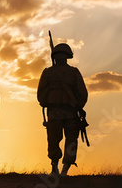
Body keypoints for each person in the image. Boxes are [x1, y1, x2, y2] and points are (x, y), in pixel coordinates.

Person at [37, 42, 89, 176]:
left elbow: (82, 92)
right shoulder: (49, 72)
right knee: (54, 140)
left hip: (68, 112)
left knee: (69, 139)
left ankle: (64, 168)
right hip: (56, 112)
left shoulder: (72, 72)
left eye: (62, 54)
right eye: (58, 54)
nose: (60, 57)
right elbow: (41, 92)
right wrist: (46, 102)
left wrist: (77, 106)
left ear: (66, 56)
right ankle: (55, 166)